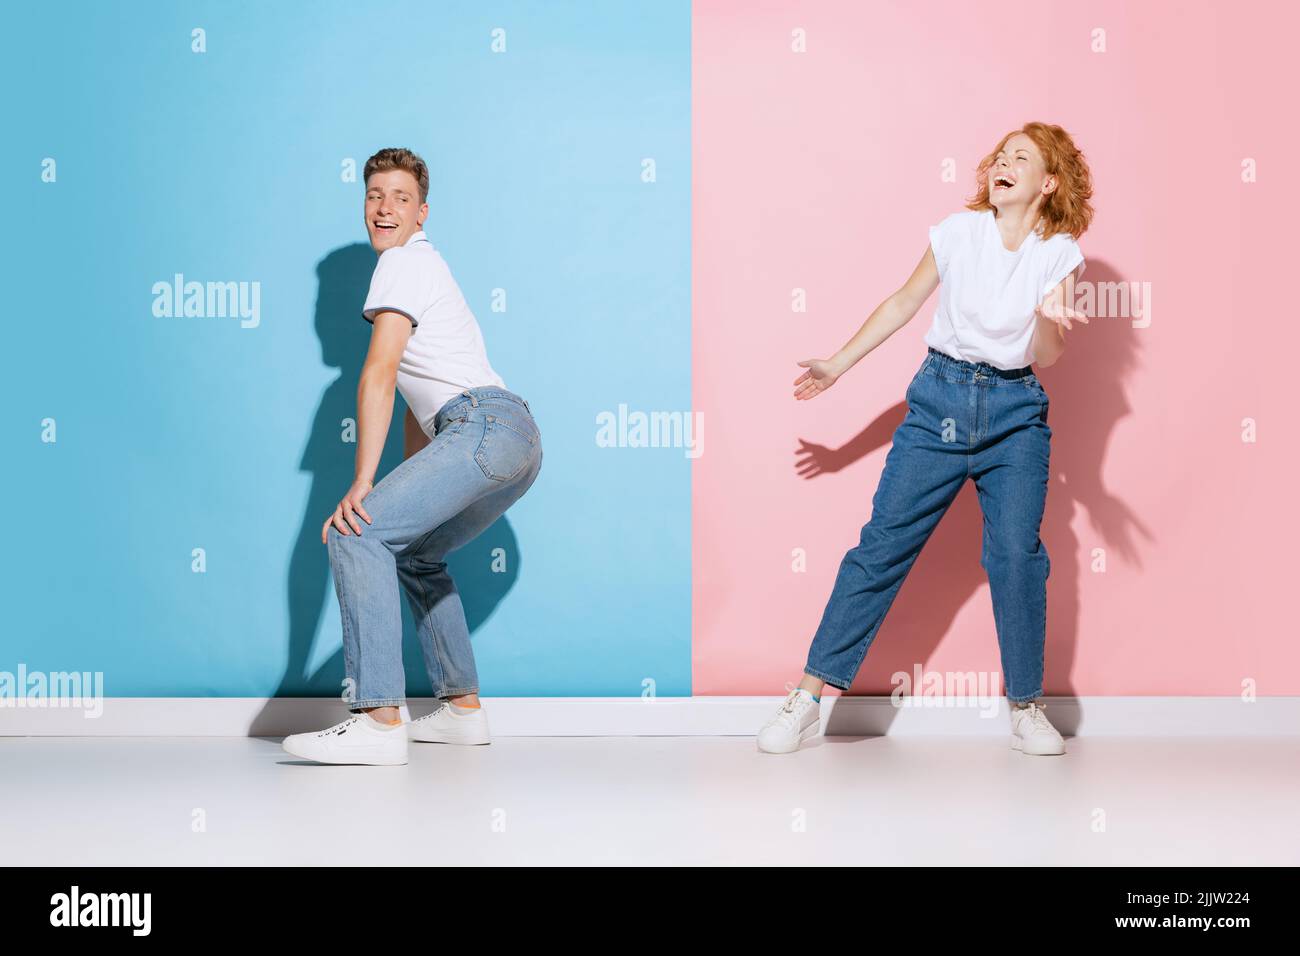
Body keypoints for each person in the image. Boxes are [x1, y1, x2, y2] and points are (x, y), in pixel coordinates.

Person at [758, 122, 1093, 757]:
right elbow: (903, 302)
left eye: (1021, 157)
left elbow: (1047, 354)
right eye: (1001, 153)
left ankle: (1027, 706)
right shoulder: (958, 232)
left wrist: (1050, 320)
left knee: (1017, 557)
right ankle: (805, 699)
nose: (1004, 161)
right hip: (939, 398)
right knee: (881, 548)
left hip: (1016, 412)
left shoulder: (1059, 251)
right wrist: (837, 362)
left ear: (1047, 183)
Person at [283, 147, 542, 766]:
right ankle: (461, 711)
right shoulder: (426, 268)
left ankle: (376, 720)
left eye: (401, 197)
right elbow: (418, 413)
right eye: (375, 196)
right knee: (417, 555)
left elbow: (379, 372)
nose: (385, 207)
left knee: (356, 534)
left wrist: (364, 485)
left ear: (421, 213)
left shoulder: (401, 264)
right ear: (364, 207)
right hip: (514, 439)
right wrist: (395, 490)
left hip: (480, 424)